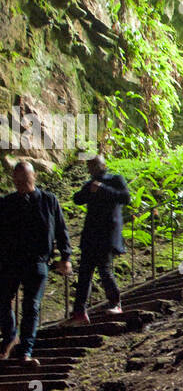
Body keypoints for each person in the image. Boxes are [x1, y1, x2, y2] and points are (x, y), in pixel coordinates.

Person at [0, 160, 72, 366]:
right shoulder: (6, 203)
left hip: (37, 261)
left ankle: (26, 350)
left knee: (31, 305)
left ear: (34, 177)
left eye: (25, 178)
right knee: (3, 301)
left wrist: (65, 256)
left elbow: (61, 230)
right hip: (9, 262)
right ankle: (10, 337)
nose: (21, 183)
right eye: (17, 179)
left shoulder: (49, 201)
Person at [69, 154, 131, 323]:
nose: (92, 169)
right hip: (90, 235)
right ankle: (79, 312)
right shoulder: (90, 184)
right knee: (84, 273)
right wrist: (89, 190)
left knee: (104, 269)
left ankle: (116, 303)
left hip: (107, 234)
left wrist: (102, 188)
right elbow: (77, 199)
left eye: (95, 165)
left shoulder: (115, 179)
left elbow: (125, 197)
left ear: (103, 165)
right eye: (89, 166)